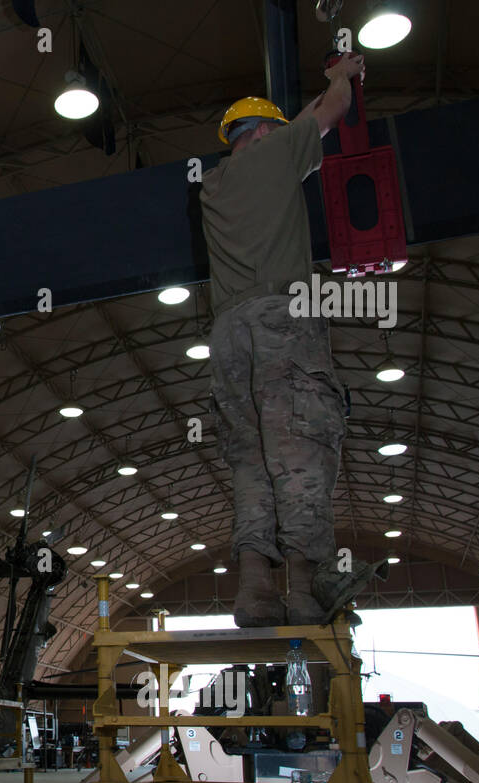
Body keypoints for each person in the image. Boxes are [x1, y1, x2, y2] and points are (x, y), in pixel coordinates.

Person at [201, 53, 372, 626]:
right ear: (271, 133)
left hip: (227, 335)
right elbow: (333, 111)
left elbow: (294, 130)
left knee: (251, 460)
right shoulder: (282, 152)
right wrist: (342, 74)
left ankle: (254, 590)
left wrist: (293, 122)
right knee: (298, 450)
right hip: (282, 319)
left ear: (236, 137)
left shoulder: (216, 183)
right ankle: (303, 591)